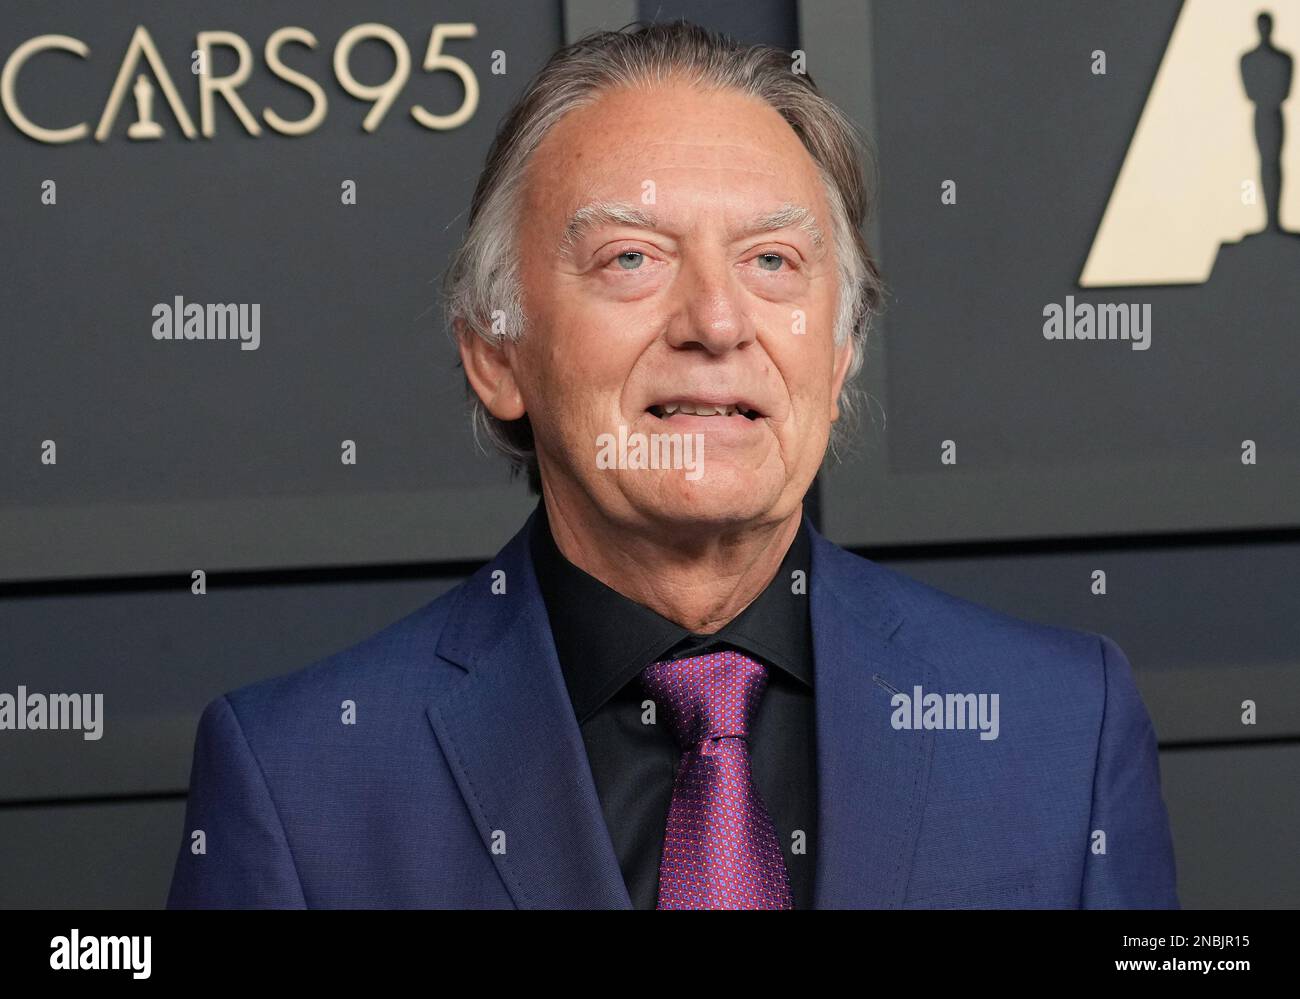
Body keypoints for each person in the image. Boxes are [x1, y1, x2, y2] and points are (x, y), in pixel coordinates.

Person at [166, 20, 1178, 909]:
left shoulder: (1058, 726)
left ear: (838, 352)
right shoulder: (299, 780)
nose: (717, 321)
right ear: (495, 350)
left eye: (772, 261)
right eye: (632, 259)